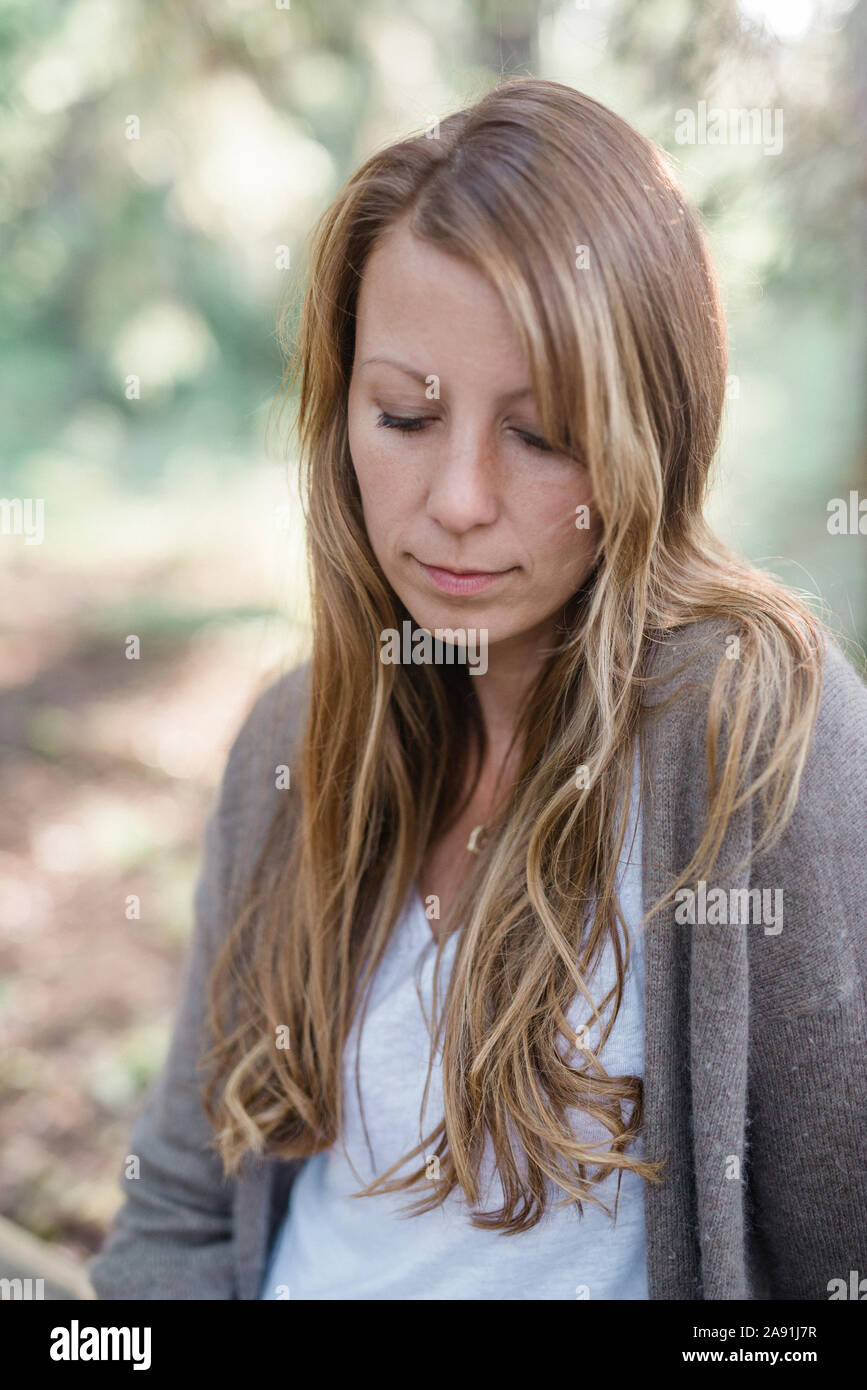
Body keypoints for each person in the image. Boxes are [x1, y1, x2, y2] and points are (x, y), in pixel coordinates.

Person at [89, 77, 867, 1301]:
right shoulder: (290, 739)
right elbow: (180, 1206)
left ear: (644, 434)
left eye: (541, 433)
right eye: (406, 414)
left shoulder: (754, 730)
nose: (458, 500)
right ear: (339, 412)